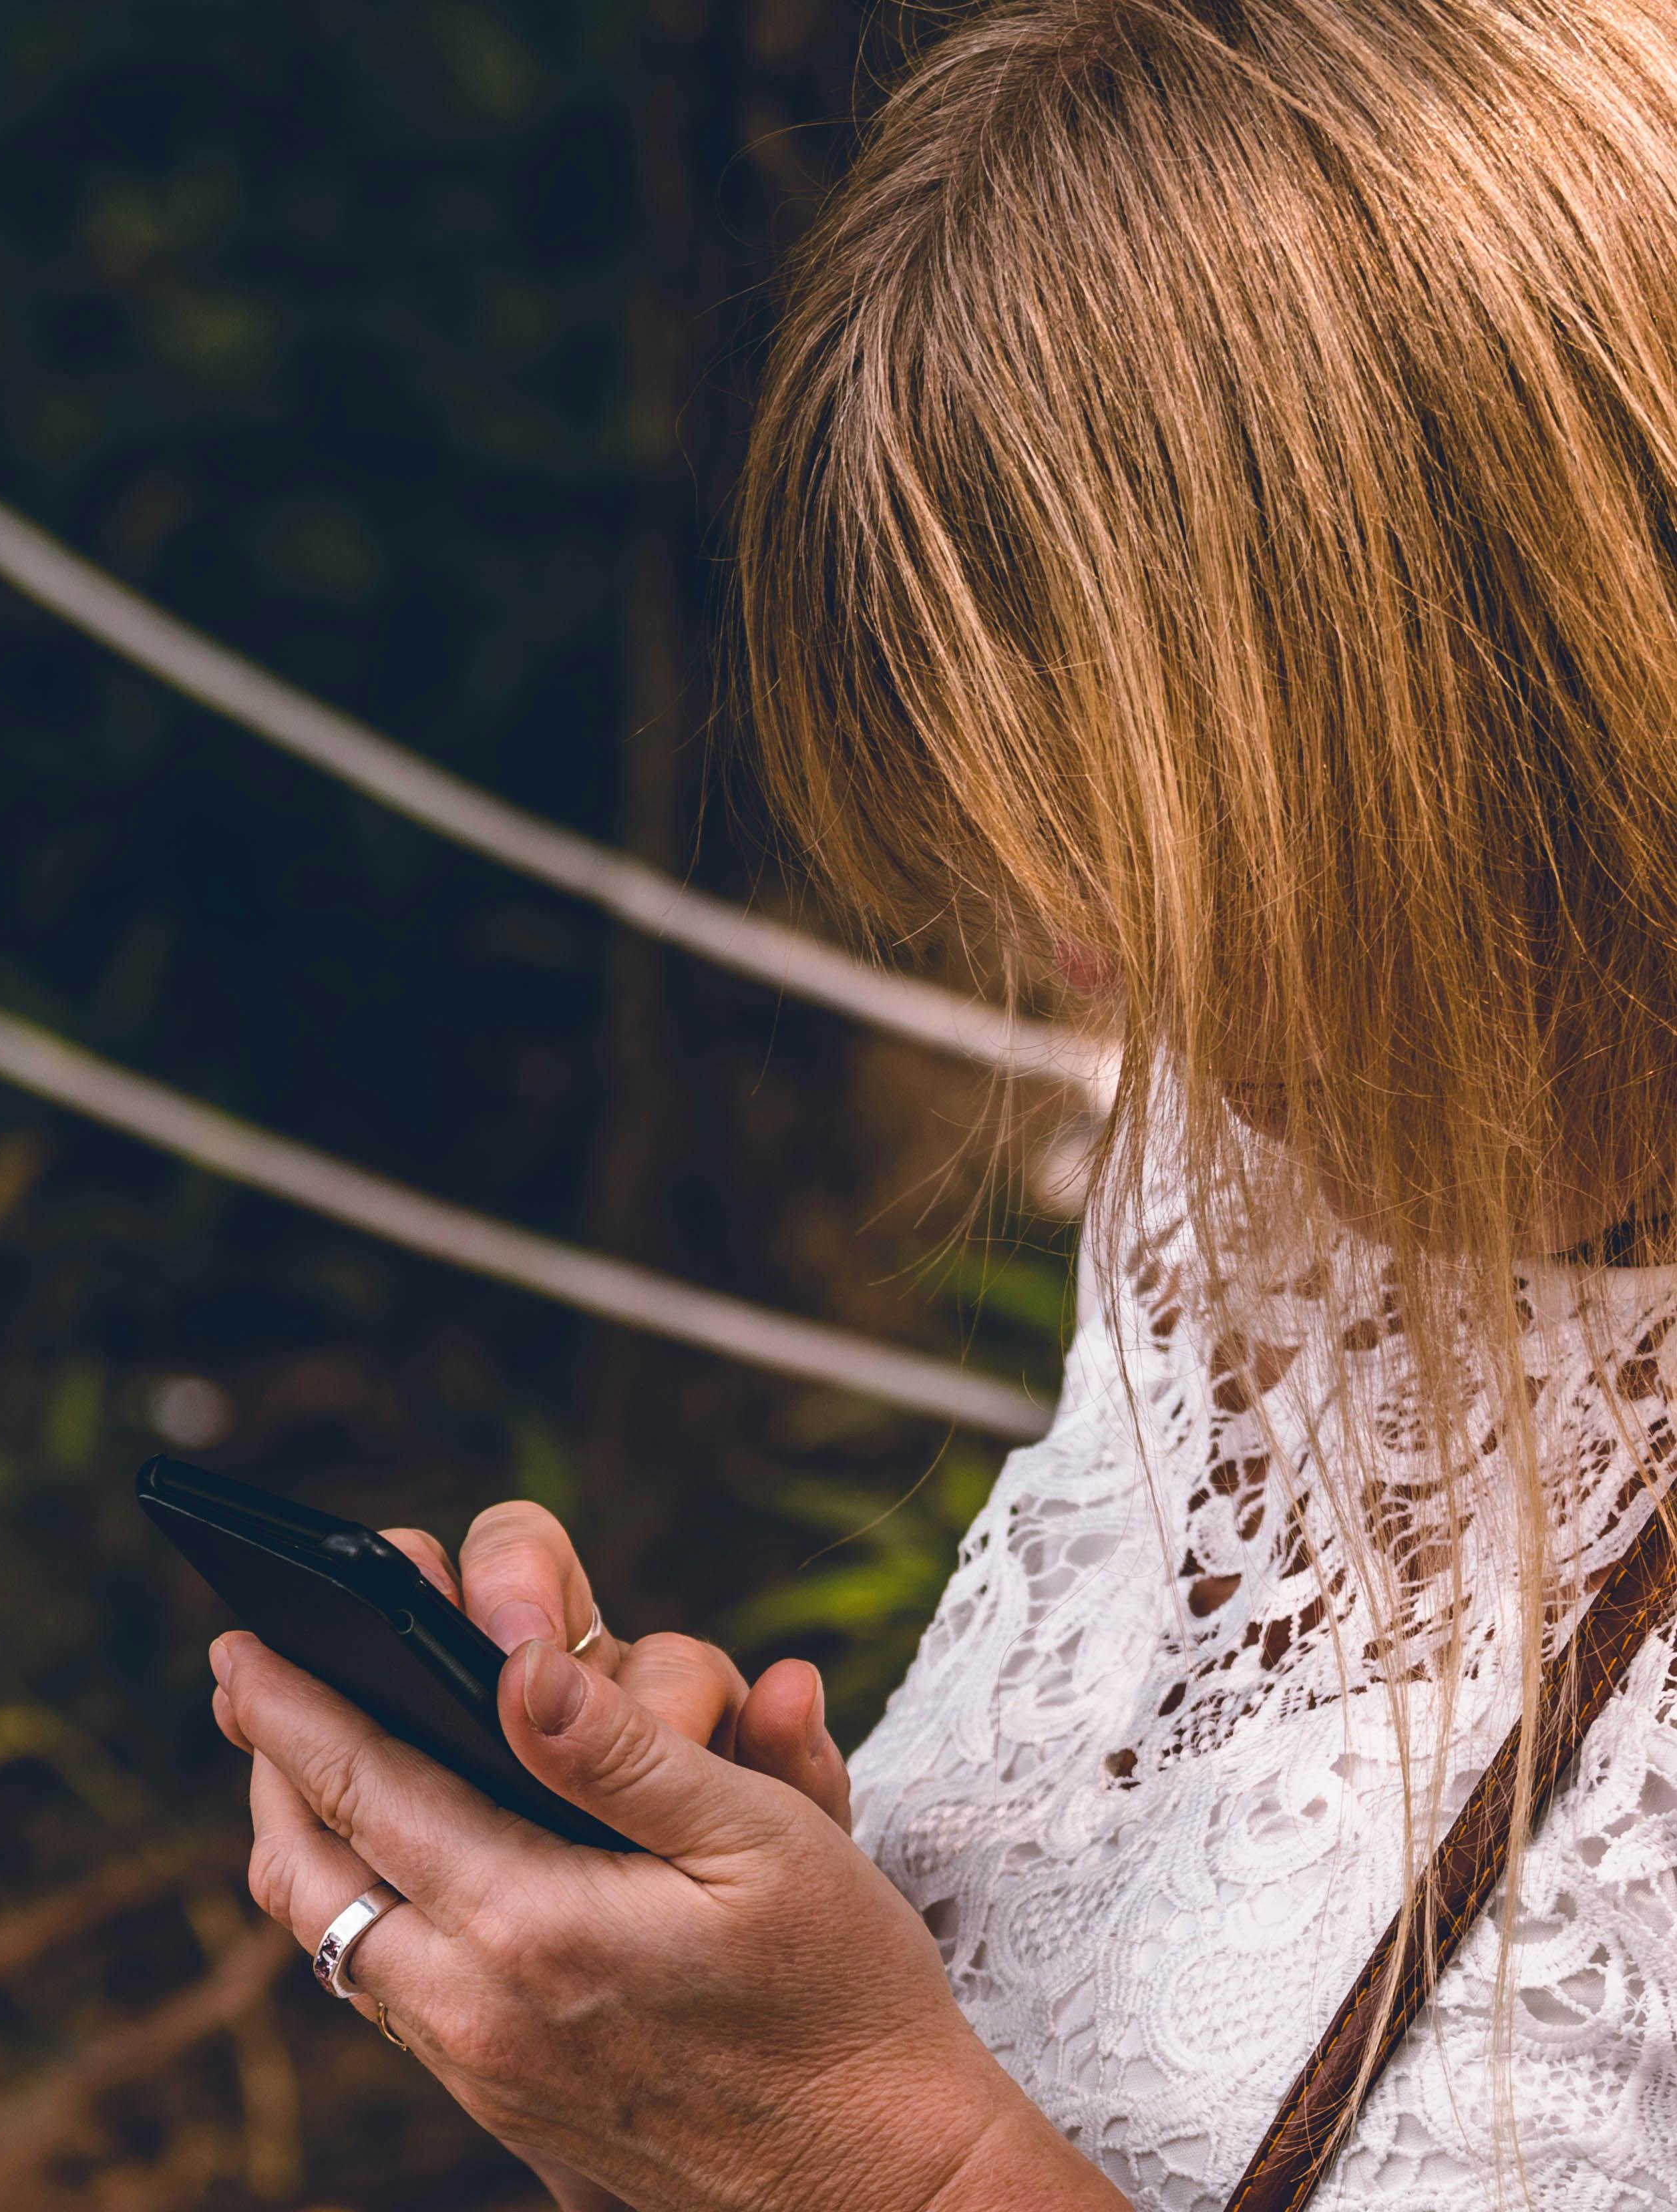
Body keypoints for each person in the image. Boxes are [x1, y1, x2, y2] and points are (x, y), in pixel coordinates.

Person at [205, 0, 1677, 2204]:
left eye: (1188, 823)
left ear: (1562, 697)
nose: (1088, 960)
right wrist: (732, 1997)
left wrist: (870, 2157)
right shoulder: (1247, 1203)